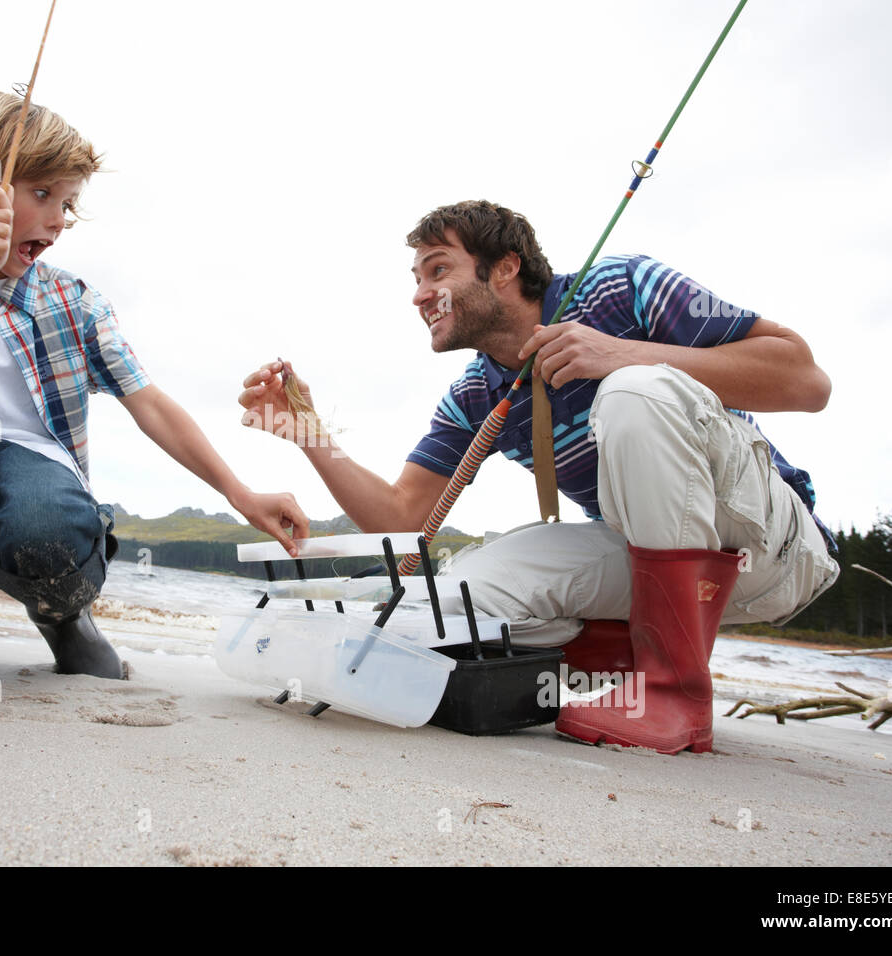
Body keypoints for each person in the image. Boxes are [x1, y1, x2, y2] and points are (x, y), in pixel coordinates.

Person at [238, 199, 838, 753]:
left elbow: (806, 380)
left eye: (437, 270)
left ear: (504, 268)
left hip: (772, 549)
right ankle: (614, 666)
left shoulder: (623, 286)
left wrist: (622, 354)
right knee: (463, 594)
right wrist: (307, 432)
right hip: (661, 573)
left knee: (636, 391)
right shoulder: (475, 393)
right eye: (416, 279)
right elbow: (402, 520)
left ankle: (674, 695)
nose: (420, 295)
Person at [0, 90, 308, 679]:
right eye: (42, 194)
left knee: (46, 527)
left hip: (28, 461)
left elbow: (150, 403)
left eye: (67, 203)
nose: (58, 219)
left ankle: (63, 614)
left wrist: (239, 493)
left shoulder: (74, 299)